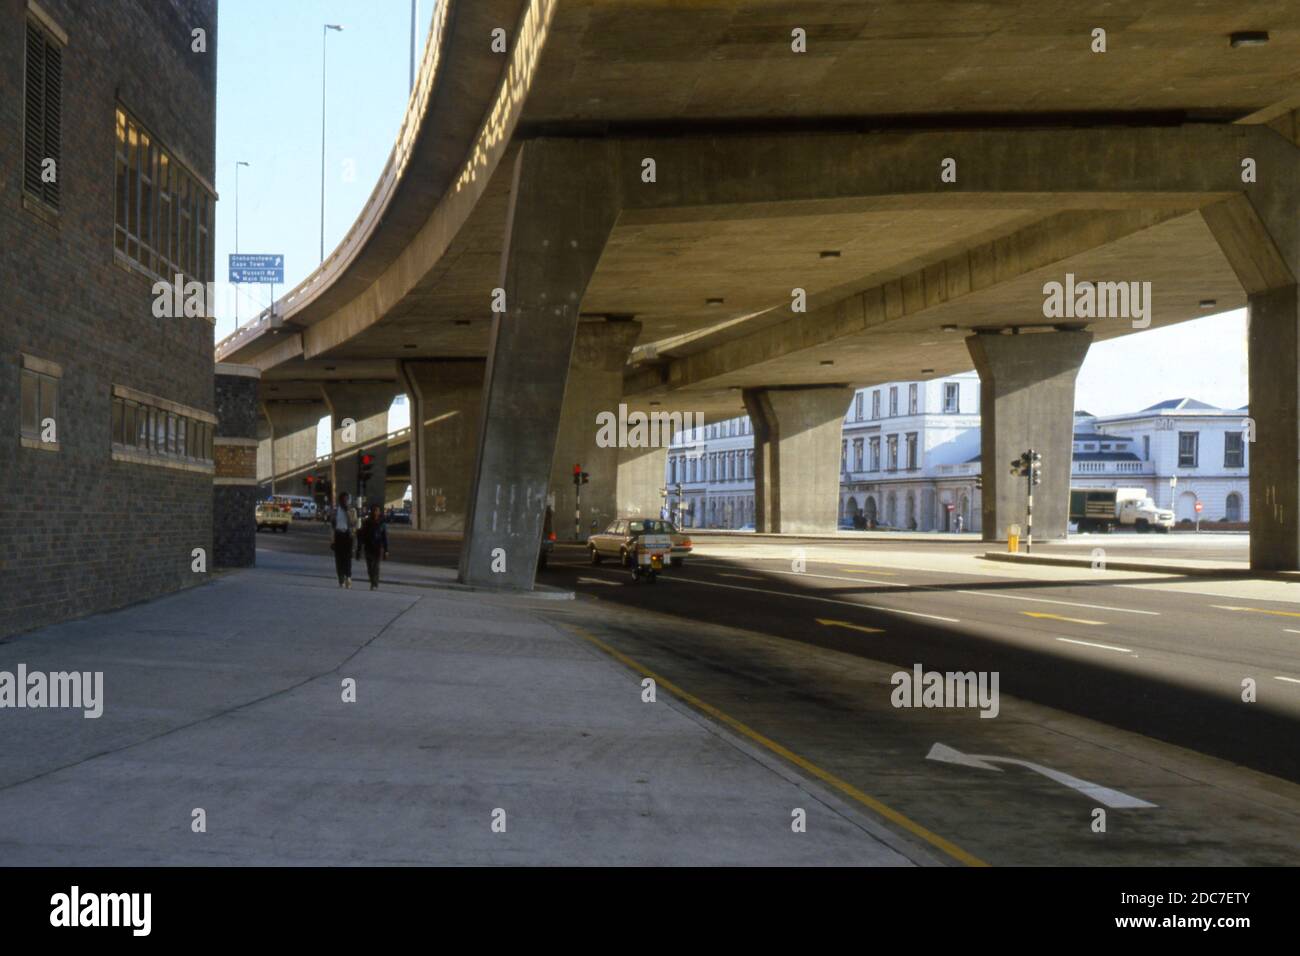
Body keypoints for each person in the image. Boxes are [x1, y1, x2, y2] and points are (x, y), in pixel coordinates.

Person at [355, 505, 390, 591]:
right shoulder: (366, 523)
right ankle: (372, 581)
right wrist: (359, 549)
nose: (375, 512)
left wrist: (386, 550)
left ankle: (375, 583)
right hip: (368, 547)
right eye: (374, 511)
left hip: (377, 547)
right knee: (370, 567)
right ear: (371, 512)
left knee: (376, 566)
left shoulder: (382, 524)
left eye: (377, 511)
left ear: (379, 512)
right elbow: (362, 537)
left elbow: (385, 537)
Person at [331, 492, 358, 588]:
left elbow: (353, 524)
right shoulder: (335, 511)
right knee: (339, 559)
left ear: (348, 500)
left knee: (347, 558)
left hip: (348, 536)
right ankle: (341, 578)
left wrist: (347, 511)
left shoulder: (352, 511)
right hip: (338, 535)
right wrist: (332, 540)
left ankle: (348, 577)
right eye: (342, 500)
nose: (344, 501)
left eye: (346, 499)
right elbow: (332, 526)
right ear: (340, 501)